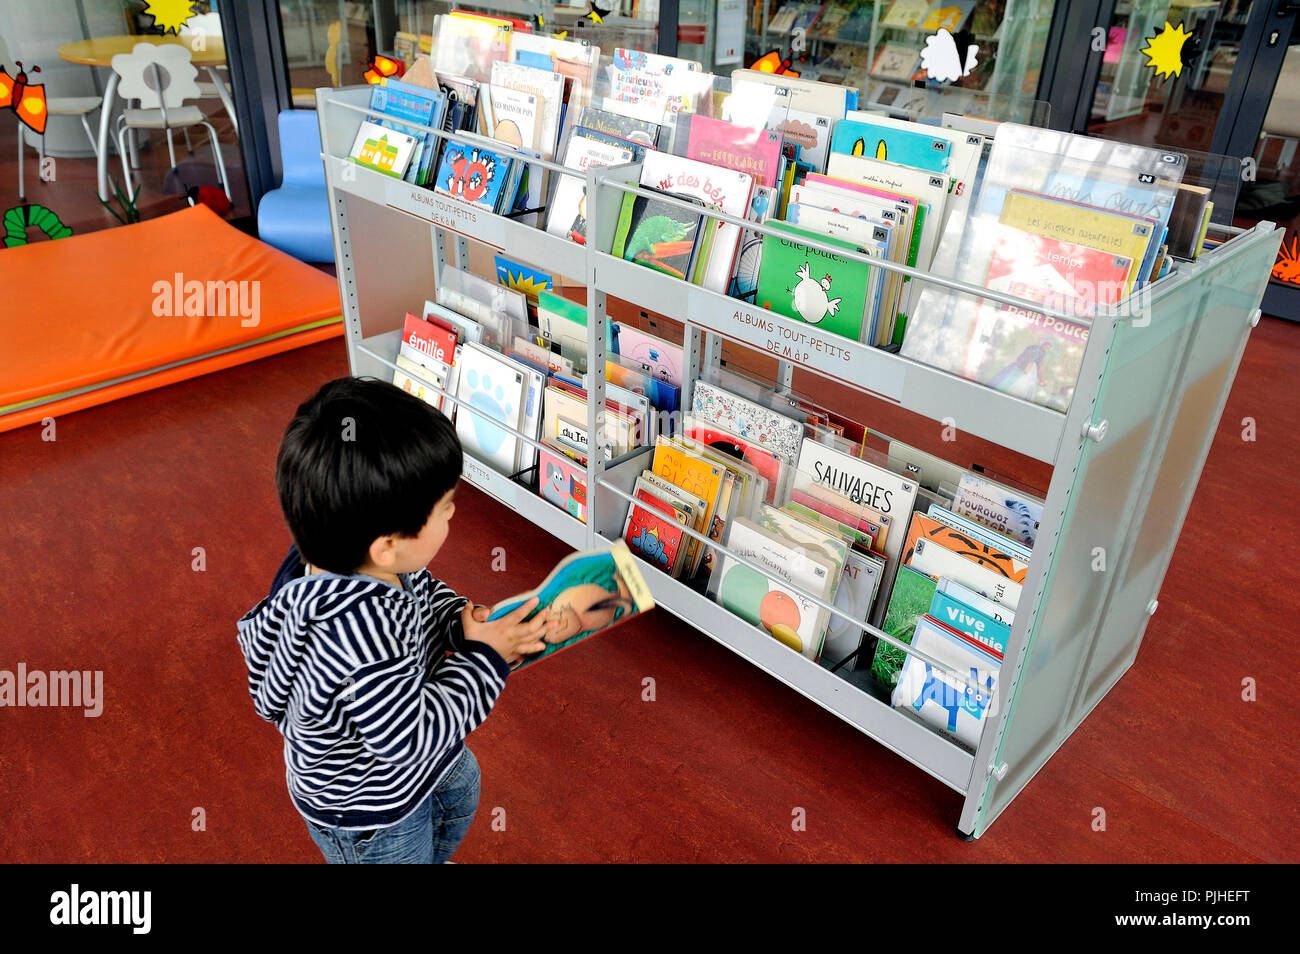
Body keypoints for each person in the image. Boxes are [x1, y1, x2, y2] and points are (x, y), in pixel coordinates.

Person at [236, 377, 556, 863]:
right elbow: (410, 738)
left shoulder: (348, 553)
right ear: (386, 545)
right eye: (446, 509)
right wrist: (486, 657)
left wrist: (457, 622)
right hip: (371, 811)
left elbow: (420, 595)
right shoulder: (355, 637)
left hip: (402, 763)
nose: (453, 516)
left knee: (459, 787)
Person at [488, 552, 635, 667]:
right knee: (620, 599)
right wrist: (564, 619)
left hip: (590, 596)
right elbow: (575, 626)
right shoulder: (551, 636)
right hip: (595, 612)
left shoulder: (541, 619)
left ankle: (621, 588)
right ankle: (623, 590)